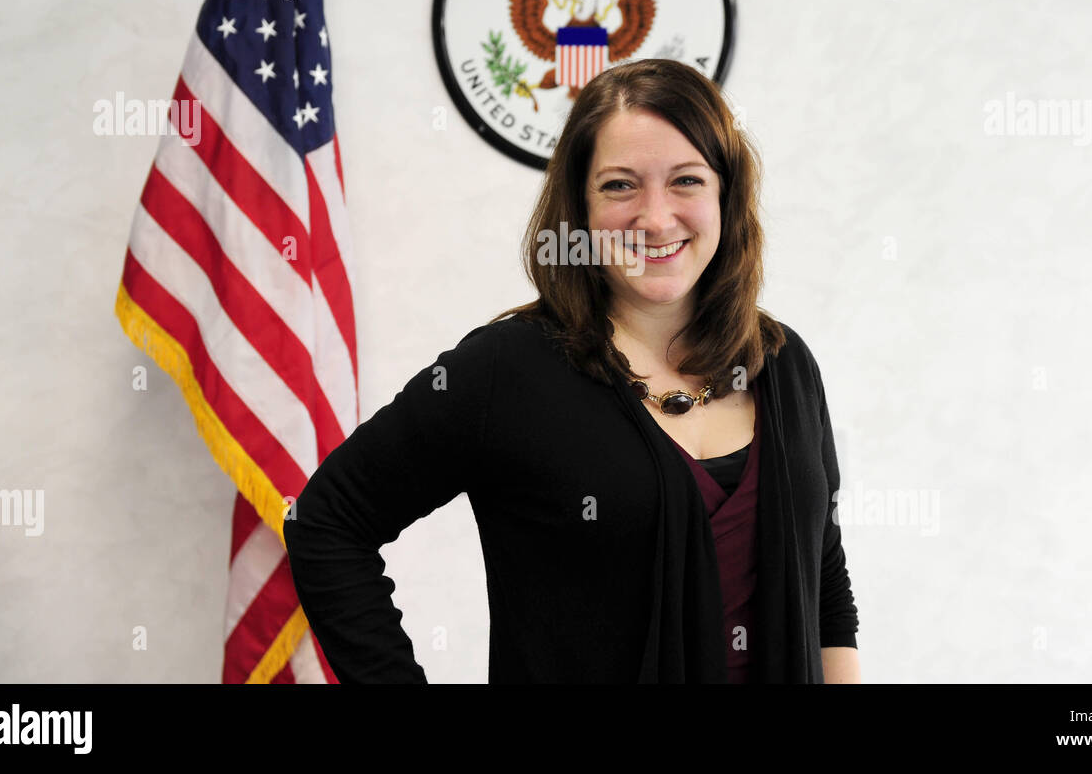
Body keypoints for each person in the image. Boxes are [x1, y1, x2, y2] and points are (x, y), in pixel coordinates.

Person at [283, 58, 861, 683]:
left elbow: (823, 573)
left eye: (687, 180)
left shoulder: (783, 363)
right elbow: (325, 523)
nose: (656, 217)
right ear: (578, 208)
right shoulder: (508, 371)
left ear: (727, 194)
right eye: (620, 185)